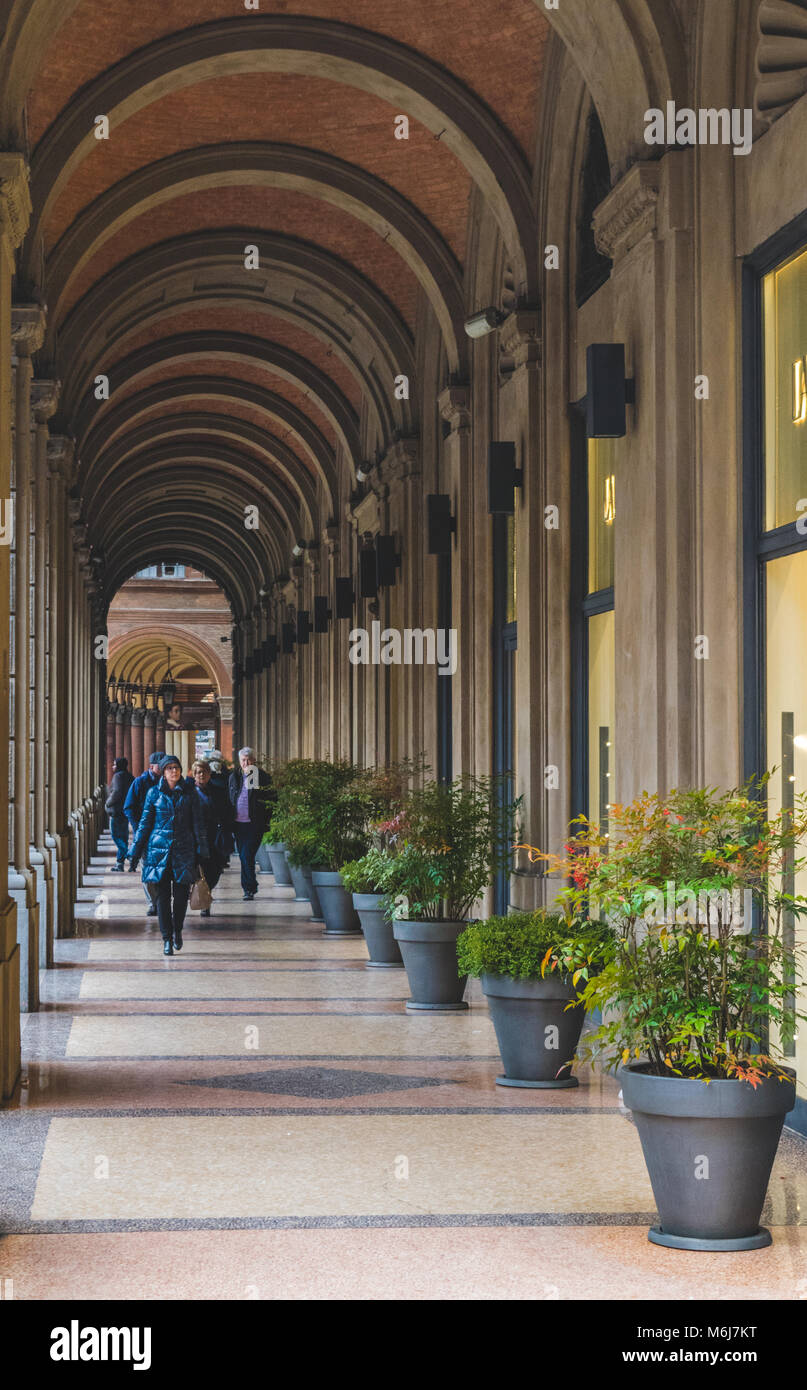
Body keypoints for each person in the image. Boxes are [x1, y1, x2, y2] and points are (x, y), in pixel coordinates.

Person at [129, 754, 209, 956]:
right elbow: (145, 824)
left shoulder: (190, 793)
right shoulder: (153, 794)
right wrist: (135, 852)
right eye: (170, 768)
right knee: (162, 898)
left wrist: (202, 849)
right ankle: (166, 938)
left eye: (177, 768)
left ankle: (178, 930)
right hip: (159, 852)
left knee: (181, 896)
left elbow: (198, 823)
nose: (174, 771)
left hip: (184, 850)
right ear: (163, 772)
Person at [228, 748, 273, 901]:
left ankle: (249, 888)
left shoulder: (261, 777)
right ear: (239, 762)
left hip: (254, 824)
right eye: (243, 760)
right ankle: (249, 887)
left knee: (247, 855)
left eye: (248, 760)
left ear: (254, 760)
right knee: (243, 856)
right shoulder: (234, 776)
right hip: (238, 824)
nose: (246, 763)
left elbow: (269, 800)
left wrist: (265, 819)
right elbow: (230, 797)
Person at [124, 751, 165, 915]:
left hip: (163, 834)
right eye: (160, 765)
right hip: (145, 834)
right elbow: (128, 807)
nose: (163, 768)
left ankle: (161, 900)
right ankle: (153, 903)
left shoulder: (169, 782)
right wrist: (139, 826)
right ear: (151, 766)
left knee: (162, 868)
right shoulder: (140, 783)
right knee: (147, 867)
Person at [191, 758, 233, 917]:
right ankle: (204, 900)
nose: (201, 775)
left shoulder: (218, 791)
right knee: (200, 870)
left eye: (204, 772)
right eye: (198, 772)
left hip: (215, 838)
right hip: (197, 839)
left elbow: (227, 810)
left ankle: (207, 891)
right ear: (194, 775)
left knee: (215, 870)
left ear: (209, 774)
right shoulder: (189, 792)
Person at [105, 757, 134, 870]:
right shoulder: (130, 777)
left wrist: (108, 803)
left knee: (116, 836)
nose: (113, 767)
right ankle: (120, 863)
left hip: (116, 811)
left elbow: (116, 792)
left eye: (114, 764)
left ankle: (130, 854)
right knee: (123, 837)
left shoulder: (118, 776)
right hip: (125, 811)